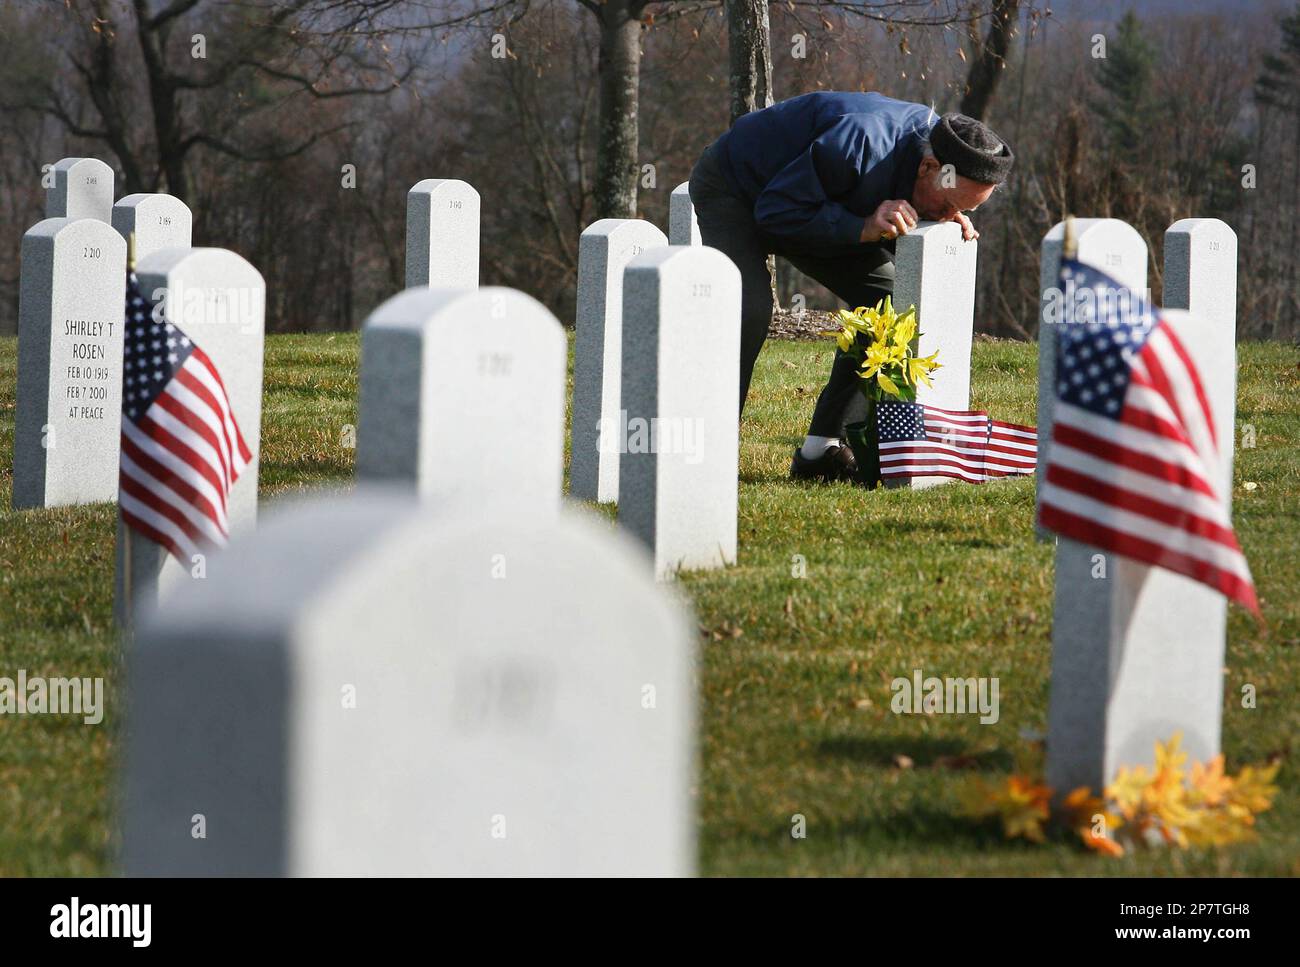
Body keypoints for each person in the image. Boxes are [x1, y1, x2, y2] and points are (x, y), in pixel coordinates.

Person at [686, 91, 1015, 483]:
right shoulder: (860, 143)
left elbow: (898, 202)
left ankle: (821, 450)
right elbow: (775, 212)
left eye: (964, 209)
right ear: (929, 166)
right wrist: (862, 227)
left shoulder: (937, 166)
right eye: (948, 205)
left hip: (815, 203)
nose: (949, 216)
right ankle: (705, 452)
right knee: (747, 308)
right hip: (737, 188)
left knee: (892, 306)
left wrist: (942, 220)